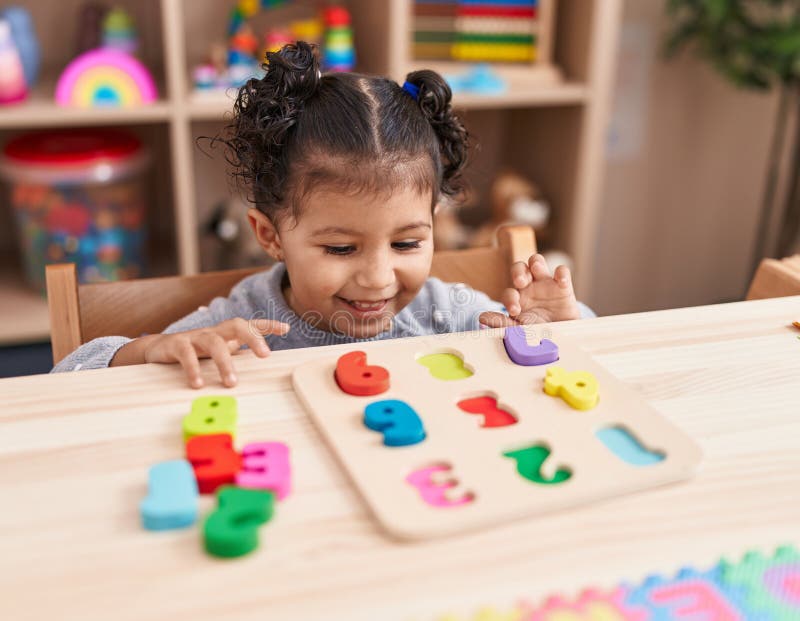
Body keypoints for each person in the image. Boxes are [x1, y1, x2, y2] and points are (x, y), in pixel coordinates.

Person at [52, 42, 594, 387]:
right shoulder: (243, 320)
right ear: (270, 235)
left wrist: (562, 330)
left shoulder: (446, 311)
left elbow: (599, 361)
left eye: (407, 244)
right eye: (340, 248)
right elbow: (65, 377)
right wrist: (154, 349)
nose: (379, 277)